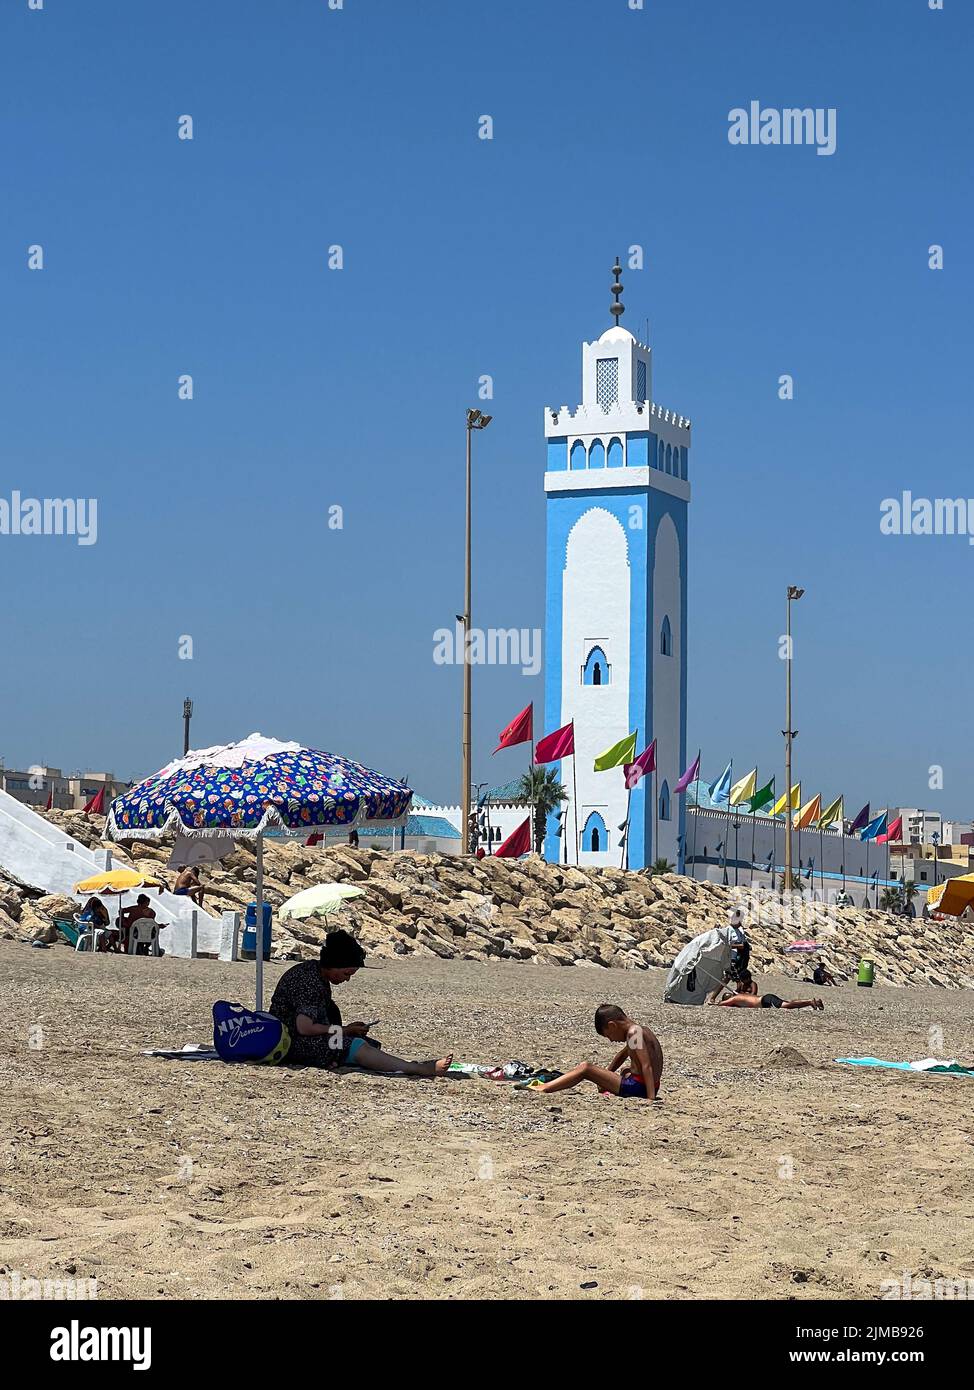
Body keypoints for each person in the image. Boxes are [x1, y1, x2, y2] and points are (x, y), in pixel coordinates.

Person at [269, 929, 452, 1077]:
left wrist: (344, 1030)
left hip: (299, 1038)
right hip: (290, 1042)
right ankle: (417, 1069)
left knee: (364, 1043)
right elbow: (305, 1028)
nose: (347, 980)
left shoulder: (315, 973)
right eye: (346, 973)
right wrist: (344, 1030)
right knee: (355, 1045)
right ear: (334, 964)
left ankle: (343, 1058)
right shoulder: (309, 981)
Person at [536, 1004, 663, 1100]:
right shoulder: (643, 1030)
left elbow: (646, 1065)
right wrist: (606, 1076)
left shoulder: (633, 1033)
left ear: (613, 1025)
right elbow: (622, 1055)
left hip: (639, 1088)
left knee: (586, 1068)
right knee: (625, 1070)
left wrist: (650, 1099)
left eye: (609, 1035)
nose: (611, 1040)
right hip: (650, 1086)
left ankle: (546, 1088)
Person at [714, 988, 823, 1011]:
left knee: (788, 1005)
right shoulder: (740, 995)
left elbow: (722, 1004)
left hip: (764, 1001)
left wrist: (716, 1003)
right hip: (766, 998)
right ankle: (810, 1002)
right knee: (789, 1004)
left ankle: (810, 1001)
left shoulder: (734, 998)